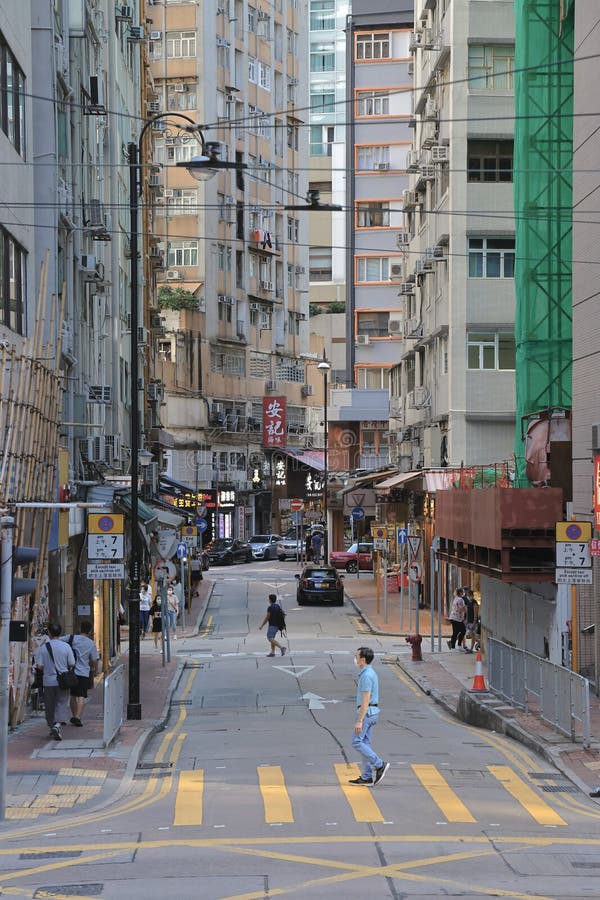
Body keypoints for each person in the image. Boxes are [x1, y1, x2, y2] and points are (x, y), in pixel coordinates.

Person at [349, 647, 389, 786]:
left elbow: (366, 699)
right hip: (373, 713)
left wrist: (359, 720)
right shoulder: (369, 672)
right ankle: (366, 776)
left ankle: (379, 764)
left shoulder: (366, 676)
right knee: (365, 743)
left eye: (356, 656)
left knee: (356, 742)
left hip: (366, 713)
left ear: (363, 660)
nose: (355, 659)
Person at [34, 623, 76, 742]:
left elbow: (40, 666)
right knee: (62, 702)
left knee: (49, 705)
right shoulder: (66, 646)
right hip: (63, 680)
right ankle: (57, 725)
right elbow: (72, 663)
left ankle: (51, 725)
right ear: (60, 632)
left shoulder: (43, 648)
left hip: (48, 681)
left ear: (50, 633)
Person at [63, 621, 101, 727]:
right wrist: (95, 669)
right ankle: (78, 717)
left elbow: (58, 641)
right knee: (81, 696)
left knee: (73, 695)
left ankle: (74, 715)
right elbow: (94, 659)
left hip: (72, 671)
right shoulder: (91, 643)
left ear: (80, 628)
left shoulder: (71, 638)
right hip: (84, 672)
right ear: (90, 631)